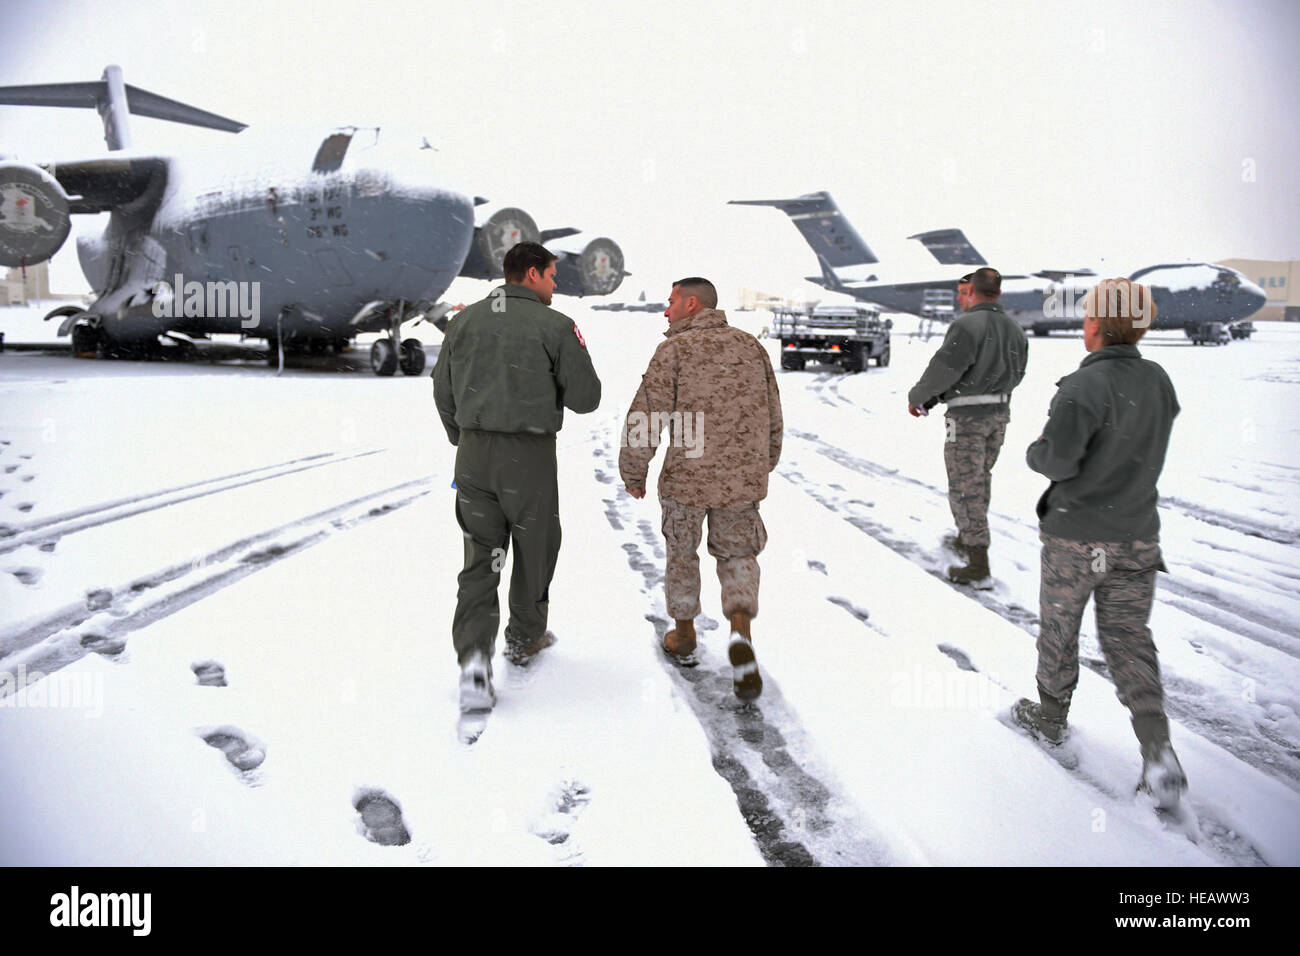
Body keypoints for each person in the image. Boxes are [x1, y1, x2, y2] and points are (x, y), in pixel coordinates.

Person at [1013, 277, 1186, 808]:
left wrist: (1035, 451)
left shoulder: (1083, 387)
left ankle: (1050, 715)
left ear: (1095, 326)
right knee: (1130, 639)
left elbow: (1060, 460)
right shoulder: (1158, 381)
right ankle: (1157, 750)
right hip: (1136, 535)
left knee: (1060, 630)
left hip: (1076, 538)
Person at [432, 241, 601, 713]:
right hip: (528, 457)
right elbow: (587, 398)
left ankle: (473, 665)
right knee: (535, 547)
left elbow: (442, 389)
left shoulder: (462, 321)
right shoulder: (555, 325)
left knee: (481, 560)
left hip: (472, 455)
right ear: (531, 274)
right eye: (551, 276)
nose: (554, 285)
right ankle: (525, 636)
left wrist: (462, 437)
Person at [619, 277, 782, 701]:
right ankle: (740, 629)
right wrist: (762, 463)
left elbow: (647, 416)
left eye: (671, 301)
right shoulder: (751, 347)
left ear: (692, 304)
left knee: (682, 553)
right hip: (741, 481)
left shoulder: (673, 351)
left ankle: (685, 634)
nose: (666, 310)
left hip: (687, 479)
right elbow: (773, 411)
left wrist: (634, 471)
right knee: (739, 555)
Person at [907, 267, 1028, 585]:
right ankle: (968, 537)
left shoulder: (967, 325)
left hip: (966, 420)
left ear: (972, 292)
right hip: (998, 416)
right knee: (979, 481)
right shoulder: (1015, 329)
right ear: (998, 293)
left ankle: (977, 563)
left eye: (964, 293)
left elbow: (945, 369)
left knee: (964, 486)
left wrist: (919, 396)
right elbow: (1017, 373)